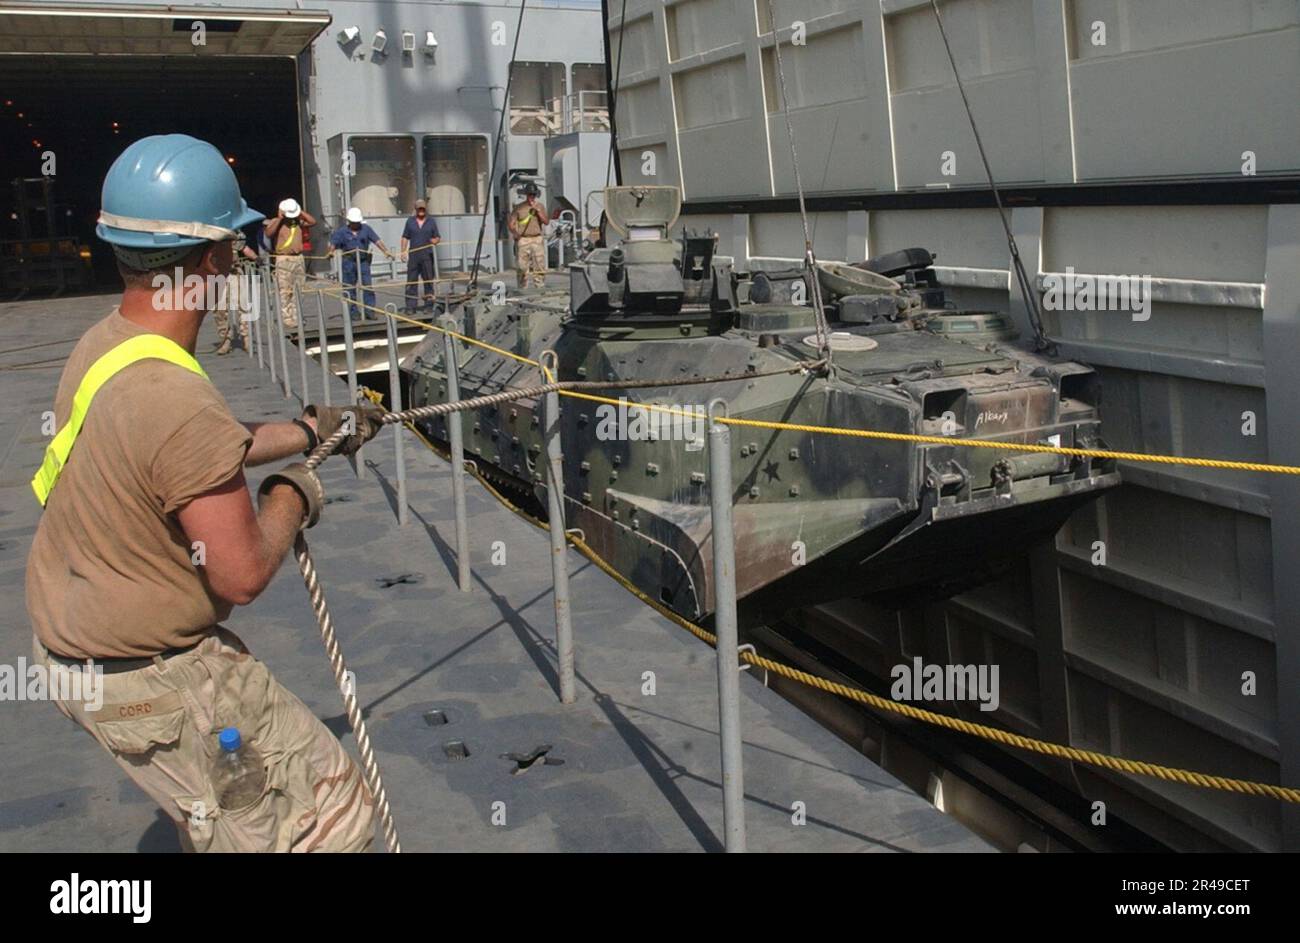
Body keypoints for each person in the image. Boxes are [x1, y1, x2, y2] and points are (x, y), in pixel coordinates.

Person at [26, 134, 387, 853]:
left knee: (219, 820)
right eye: (234, 243)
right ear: (214, 259)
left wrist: (308, 427)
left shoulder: (108, 344)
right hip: (150, 678)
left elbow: (185, 452)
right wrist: (296, 487)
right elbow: (242, 572)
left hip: (70, 654)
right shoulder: (175, 396)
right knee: (331, 819)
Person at [329, 207, 393, 322]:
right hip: (348, 262)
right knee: (349, 287)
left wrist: (386, 251)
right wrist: (330, 252)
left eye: (357, 222)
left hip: (363, 261)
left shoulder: (366, 229)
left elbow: (377, 240)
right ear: (349, 221)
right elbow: (333, 243)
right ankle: (353, 312)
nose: (355, 224)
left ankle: (369, 311)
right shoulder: (342, 231)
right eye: (353, 222)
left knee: (367, 285)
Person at [263, 197, 316, 330]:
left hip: (298, 258)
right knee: (285, 289)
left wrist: (300, 212)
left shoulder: (297, 221)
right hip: (284, 258)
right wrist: (280, 218)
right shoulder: (276, 222)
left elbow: (312, 221)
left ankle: (296, 315)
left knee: (299, 288)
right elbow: (268, 233)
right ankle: (287, 318)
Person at [212, 224, 259, 355]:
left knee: (243, 305)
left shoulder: (234, 231)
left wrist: (256, 258)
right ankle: (225, 339)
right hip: (217, 274)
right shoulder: (210, 233)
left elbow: (243, 248)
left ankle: (246, 338)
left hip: (234, 272)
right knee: (219, 308)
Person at [400, 199, 440, 314]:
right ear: (416, 209)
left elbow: (437, 237)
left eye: (423, 208)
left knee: (428, 280)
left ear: (425, 209)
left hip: (427, 256)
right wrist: (403, 251)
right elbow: (405, 237)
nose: (421, 211)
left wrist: (435, 240)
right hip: (414, 255)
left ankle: (428, 305)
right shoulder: (410, 221)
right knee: (411, 281)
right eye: (419, 209)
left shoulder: (431, 221)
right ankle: (411, 306)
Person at [507, 182, 547, 290]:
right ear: (526, 195)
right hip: (523, 239)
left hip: (537, 238)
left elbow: (546, 221)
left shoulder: (540, 206)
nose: (532, 197)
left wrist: (538, 211)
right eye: (530, 195)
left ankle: (540, 286)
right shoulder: (519, 208)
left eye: (533, 195)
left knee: (539, 265)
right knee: (522, 266)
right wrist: (515, 234)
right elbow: (511, 223)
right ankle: (522, 287)